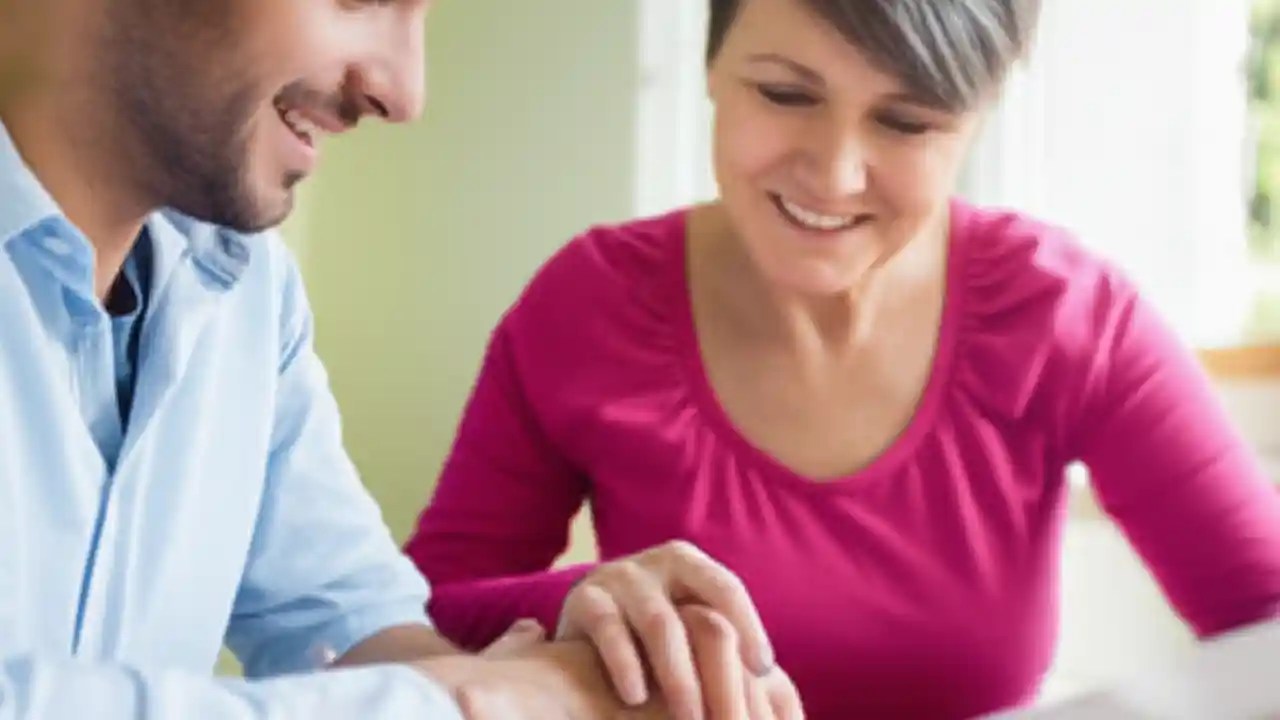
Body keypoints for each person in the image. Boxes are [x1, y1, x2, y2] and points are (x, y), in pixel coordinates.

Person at [405, 0, 1280, 717]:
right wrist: (577, 605)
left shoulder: (1070, 317)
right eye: (785, 95)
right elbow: (399, 626)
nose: (834, 173)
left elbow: (1267, 620)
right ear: (712, 68)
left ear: (971, 128)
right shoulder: (587, 304)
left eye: (905, 121)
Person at [0, 0, 800, 718]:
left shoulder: (244, 289)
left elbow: (347, 625)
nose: (403, 92)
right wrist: (494, 700)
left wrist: (611, 668)